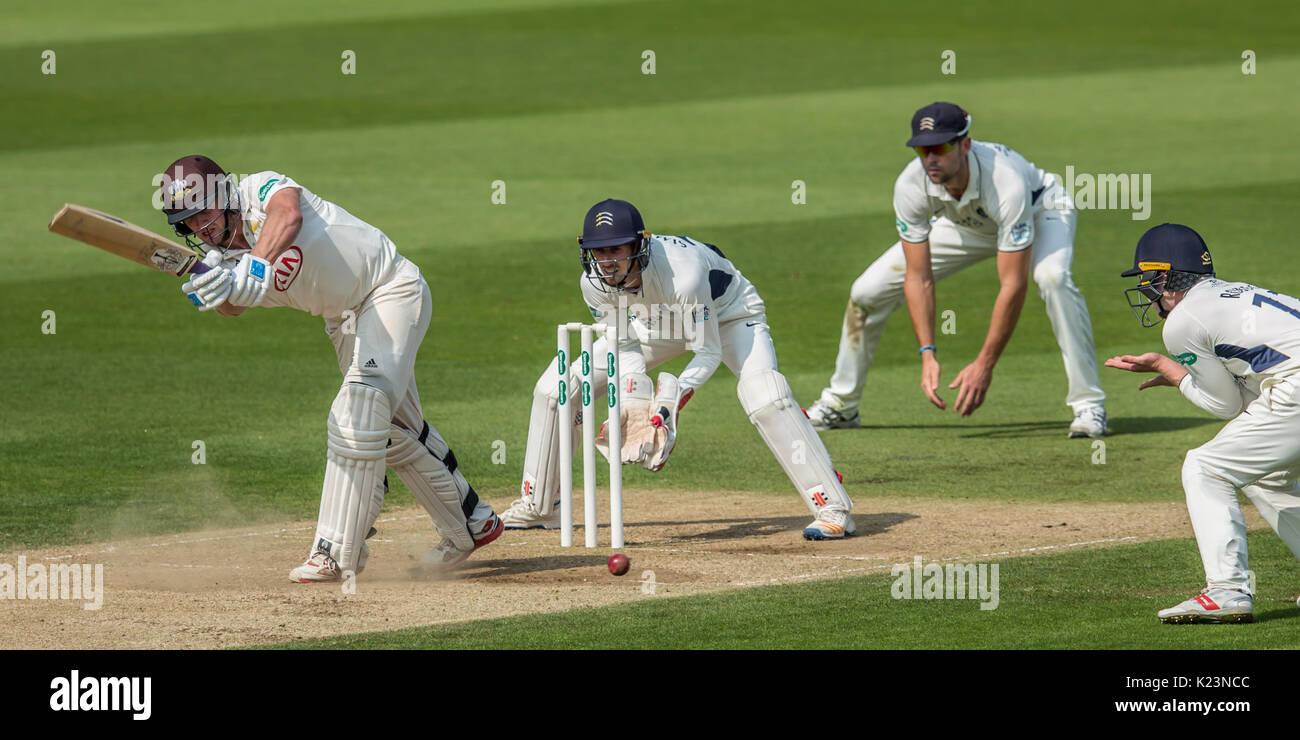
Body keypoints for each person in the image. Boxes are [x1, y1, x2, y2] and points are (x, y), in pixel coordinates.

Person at [159, 155, 502, 583]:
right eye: (188, 222)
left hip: (388, 289)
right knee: (390, 431)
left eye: (204, 213)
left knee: (355, 414)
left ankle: (335, 552)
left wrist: (256, 262)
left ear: (225, 194)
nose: (200, 228)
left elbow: (289, 213)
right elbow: (232, 308)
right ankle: (470, 523)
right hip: (344, 322)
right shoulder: (219, 257)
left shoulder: (260, 189)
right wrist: (212, 290)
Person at [500, 199, 856, 539]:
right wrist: (635, 399)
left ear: (640, 244)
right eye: (599, 251)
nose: (606, 262)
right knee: (557, 388)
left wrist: (668, 406)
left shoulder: (682, 275)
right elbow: (623, 346)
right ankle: (540, 505)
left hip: (729, 316)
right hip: (653, 323)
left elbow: (707, 351)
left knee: (765, 396)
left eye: (616, 250)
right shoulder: (593, 283)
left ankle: (833, 507)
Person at [806, 102, 1107, 437]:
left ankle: (1088, 404)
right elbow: (918, 277)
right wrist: (927, 353)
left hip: (1039, 211)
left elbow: (1012, 285)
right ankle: (842, 404)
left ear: (965, 144)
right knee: (866, 292)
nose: (930, 159)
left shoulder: (1005, 181)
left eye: (940, 147)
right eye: (923, 149)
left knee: (1052, 278)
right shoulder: (911, 184)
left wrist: (984, 365)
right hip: (965, 224)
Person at [1106, 223, 1300, 623]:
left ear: (1166, 276)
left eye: (1149, 280)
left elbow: (1225, 404)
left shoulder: (1182, 322)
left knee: (1205, 468)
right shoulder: (1234, 293)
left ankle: (1227, 591)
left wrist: (1172, 371)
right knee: (1267, 475)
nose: (1147, 292)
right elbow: (1252, 396)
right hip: (1291, 383)